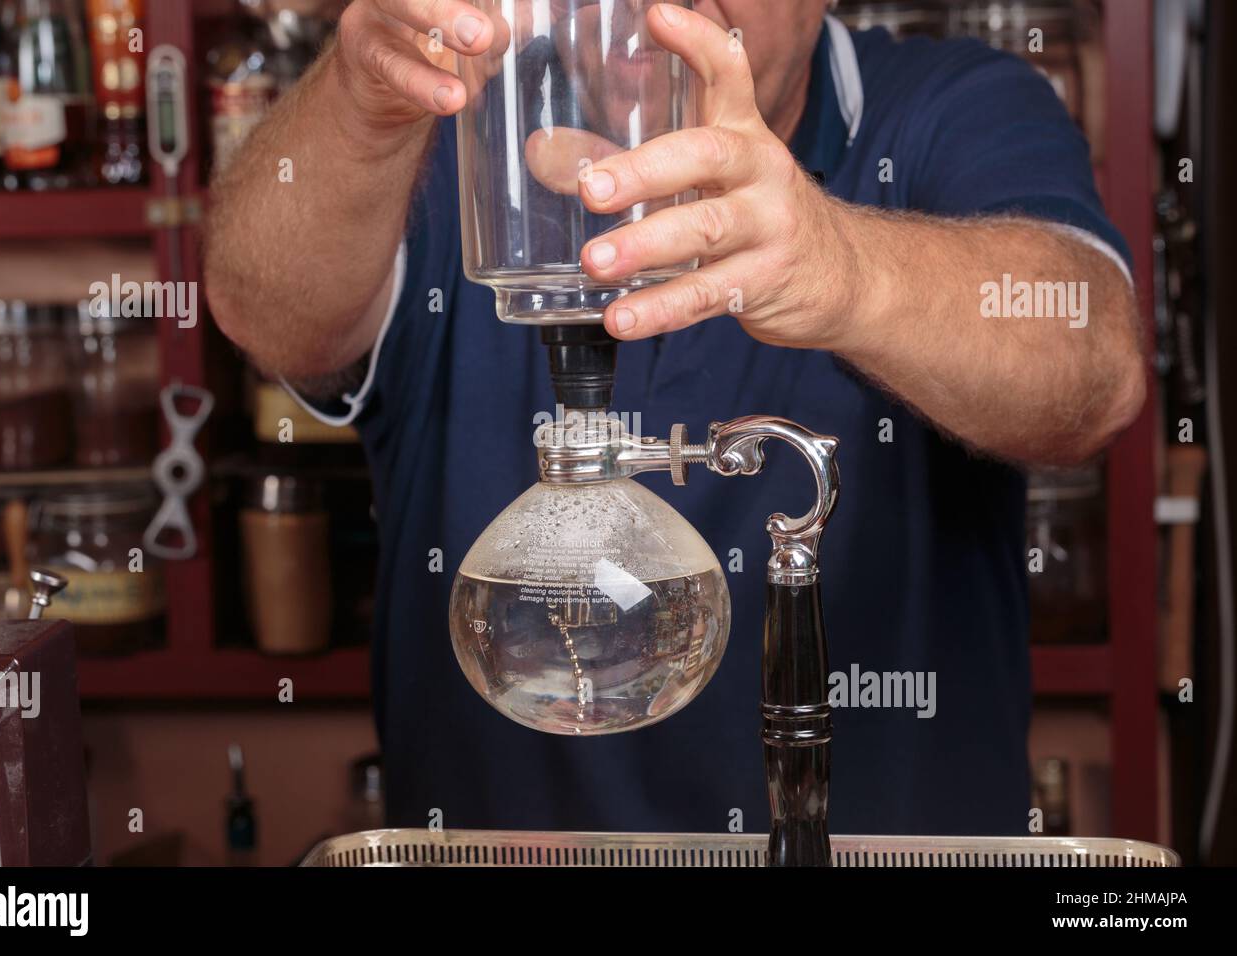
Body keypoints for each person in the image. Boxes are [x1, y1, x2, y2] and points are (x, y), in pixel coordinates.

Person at [205, 0, 1144, 836]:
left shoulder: (944, 106)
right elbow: (263, 314)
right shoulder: (460, 136)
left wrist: (838, 264)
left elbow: (1094, 365)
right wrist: (359, 109)